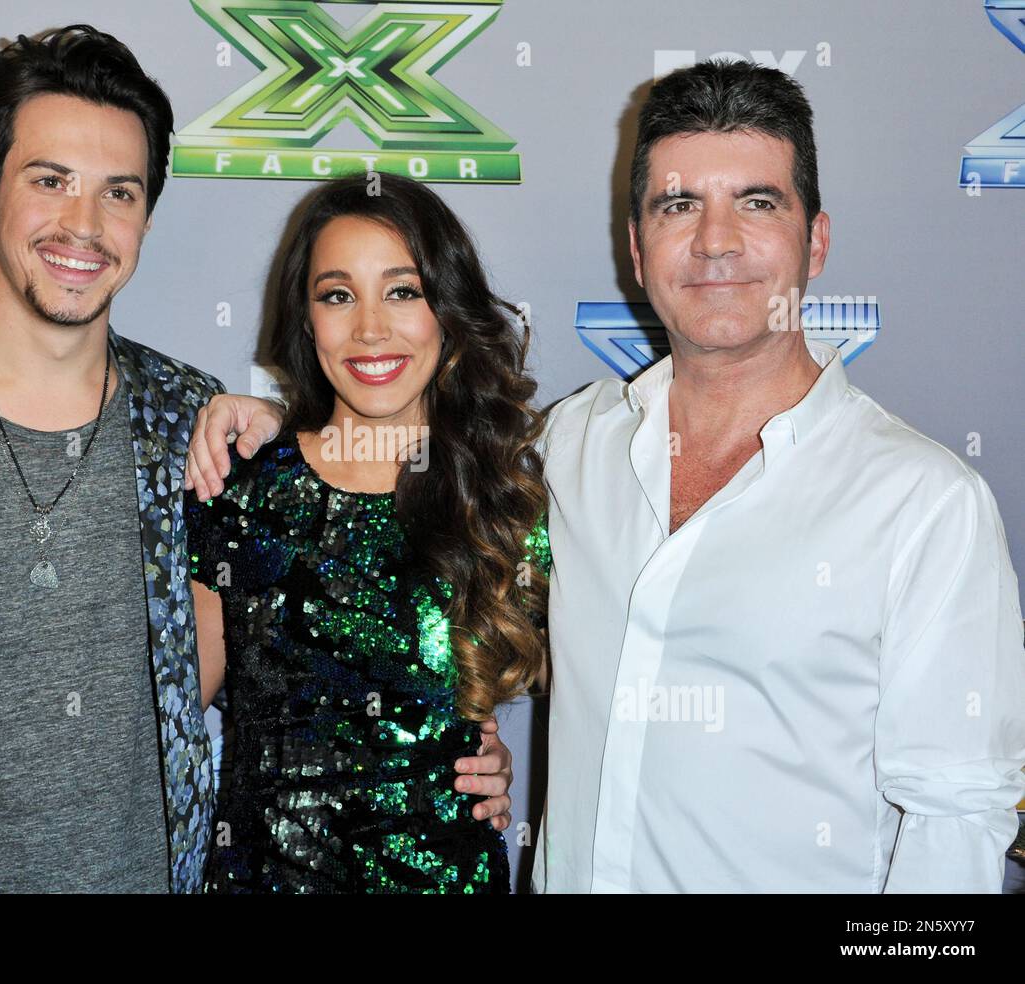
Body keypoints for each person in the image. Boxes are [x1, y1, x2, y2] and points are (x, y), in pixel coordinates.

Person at [186, 61, 1025, 893]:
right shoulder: (565, 448)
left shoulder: (924, 506)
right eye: (678, 204)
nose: (716, 239)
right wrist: (267, 425)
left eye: (757, 202)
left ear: (819, 239)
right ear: (636, 246)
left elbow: (956, 826)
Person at [0, 25, 512, 894]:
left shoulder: (194, 423)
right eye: (49, 180)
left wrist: (450, 743)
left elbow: (300, 627)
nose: (83, 226)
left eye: (119, 193)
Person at [184, 171, 550, 893]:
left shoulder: (505, 502)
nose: (370, 328)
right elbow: (162, 713)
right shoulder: (243, 492)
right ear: (306, 316)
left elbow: (602, 702)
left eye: (403, 290)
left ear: (447, 309)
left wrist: (493, 761)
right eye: (338, 294)